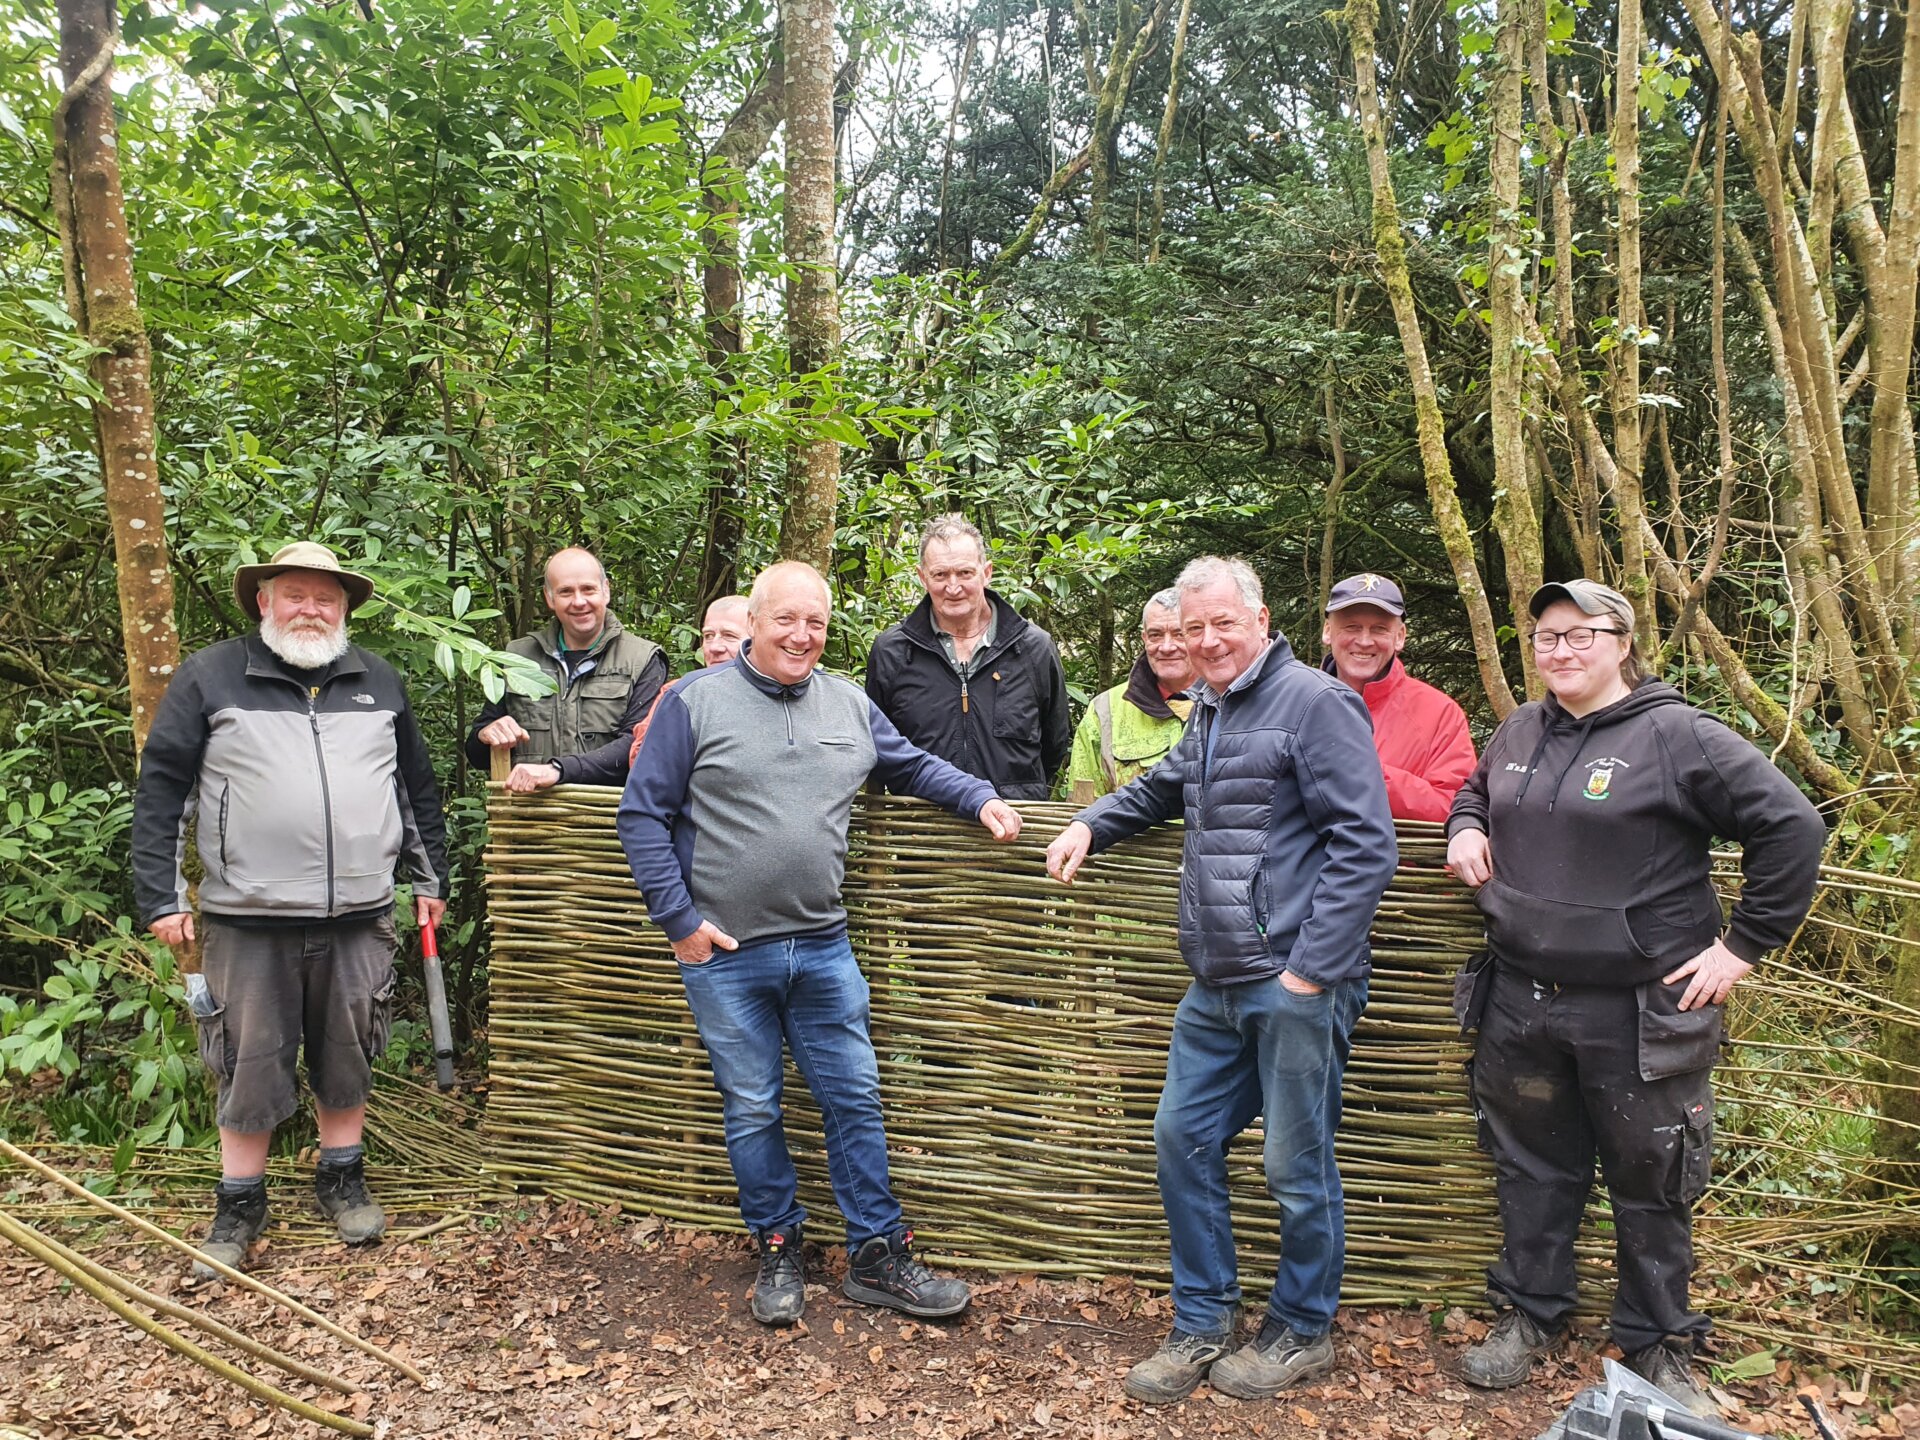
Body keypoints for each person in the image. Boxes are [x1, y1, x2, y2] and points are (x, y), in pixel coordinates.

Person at [1445, 579, 1824, 1416]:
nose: (1562, 651)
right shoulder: (1517, 729)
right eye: (1548, 637)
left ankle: (1660, 1343)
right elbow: (1477, 792)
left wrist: (1742, 949)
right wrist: (1465, 825)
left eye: (1582, 635)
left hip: (1639, 1010)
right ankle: (1531, 1316)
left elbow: (1791, 826)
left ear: (1622, 642)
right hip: (1521, 997)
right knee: (1531, 1165)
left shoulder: (1677, 736)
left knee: (1651, 1177)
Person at [618, 561, 1024, 1327]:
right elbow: (642, 816)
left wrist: (978, 797)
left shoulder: (848, 703)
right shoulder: (693, 704)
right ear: (754, 622)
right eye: (787, 621)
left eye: (816, 624)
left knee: (855, 1100)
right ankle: (779, 1245)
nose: (802, 636)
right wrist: (678, 921)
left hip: (825, 949)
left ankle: (877, 1253)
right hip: (729, 954)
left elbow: (910, 764)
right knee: (751, 1108)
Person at [1044, 556, 1397, 1407]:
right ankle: (1203, 1319)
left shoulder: (1317, 704)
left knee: (1294, 1162)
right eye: (1193, 629)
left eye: (1221, 625)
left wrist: (1311, 970)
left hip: (1292, 983)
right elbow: (1167, 787)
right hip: (1217, 980)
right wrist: (1092, 824)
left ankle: (1302, 1330)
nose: (1206, 642)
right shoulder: (1211, 707)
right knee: (1182, 1139)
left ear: (1261, 619)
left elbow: (1366, 843)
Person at [131, 542, 449, 1280]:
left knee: (350, 1046)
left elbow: (416, 792)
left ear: (345, 609)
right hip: (247, 917)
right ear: (263, 601)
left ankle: (342, 1176)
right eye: (296, 595)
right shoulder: (212, 677)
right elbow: (162, 794)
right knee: (246, 1060)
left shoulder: (378, 681)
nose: (312, 609)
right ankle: (239, 1203)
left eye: (326, 599)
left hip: (360, 915)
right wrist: (161, 896)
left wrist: (429, 878)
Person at [865, 514, 1071, 800]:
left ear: (986, 572)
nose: (953, 587)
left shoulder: (1034, 648)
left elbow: (1055, 744)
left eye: (964, 573)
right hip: (922, 830)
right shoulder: (892, 652)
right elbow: (879, 747)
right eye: (940, 575)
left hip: (1016, 828)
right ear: (922, 577)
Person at [465, 547, 666, 791]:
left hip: (608, 820)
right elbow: (476, 756)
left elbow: (638, 747)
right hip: (526, 821)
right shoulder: (516, 657)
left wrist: (557, 770)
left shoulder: (643, 659)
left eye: (588, 589)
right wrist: (486, 734)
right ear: (550, 598)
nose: (579, 602)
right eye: (566, 592)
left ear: (606, 591)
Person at [1320, 572, 1476, 823]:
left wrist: (1369, 776)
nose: (1364, 641)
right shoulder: (1294, 703)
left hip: (1402, 861)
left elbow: (1456, 808)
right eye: (1352, 627)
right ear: (1328, 631)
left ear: (1400, 636)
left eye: (1379, 629)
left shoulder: (1440, 713)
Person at [1066, 588, 1194, 804]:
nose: (1166, 647)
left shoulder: (1226, 700)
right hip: (1125, 837)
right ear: (1144, 637)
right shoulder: (1104, 709)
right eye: (1155, 635)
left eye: (1179, 634)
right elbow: (1082, 805)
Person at [627, 594, 750, 763]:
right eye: (708, 636)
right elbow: (641, 758)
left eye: (729, 635)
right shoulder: (679, 693)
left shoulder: (780, 693)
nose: (714, 647)